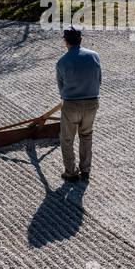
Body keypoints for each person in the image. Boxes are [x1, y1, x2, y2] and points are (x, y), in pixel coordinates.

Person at [55, 27, 101, 182]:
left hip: (71, 104)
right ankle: (85, 169)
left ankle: (70, 171)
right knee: (86, 135)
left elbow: (61, 87)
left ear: (66, 41)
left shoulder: (62, 61)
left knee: (67, 138)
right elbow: (99, 79)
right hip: (92, 102)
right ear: (81, 39)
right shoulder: (94, 56)